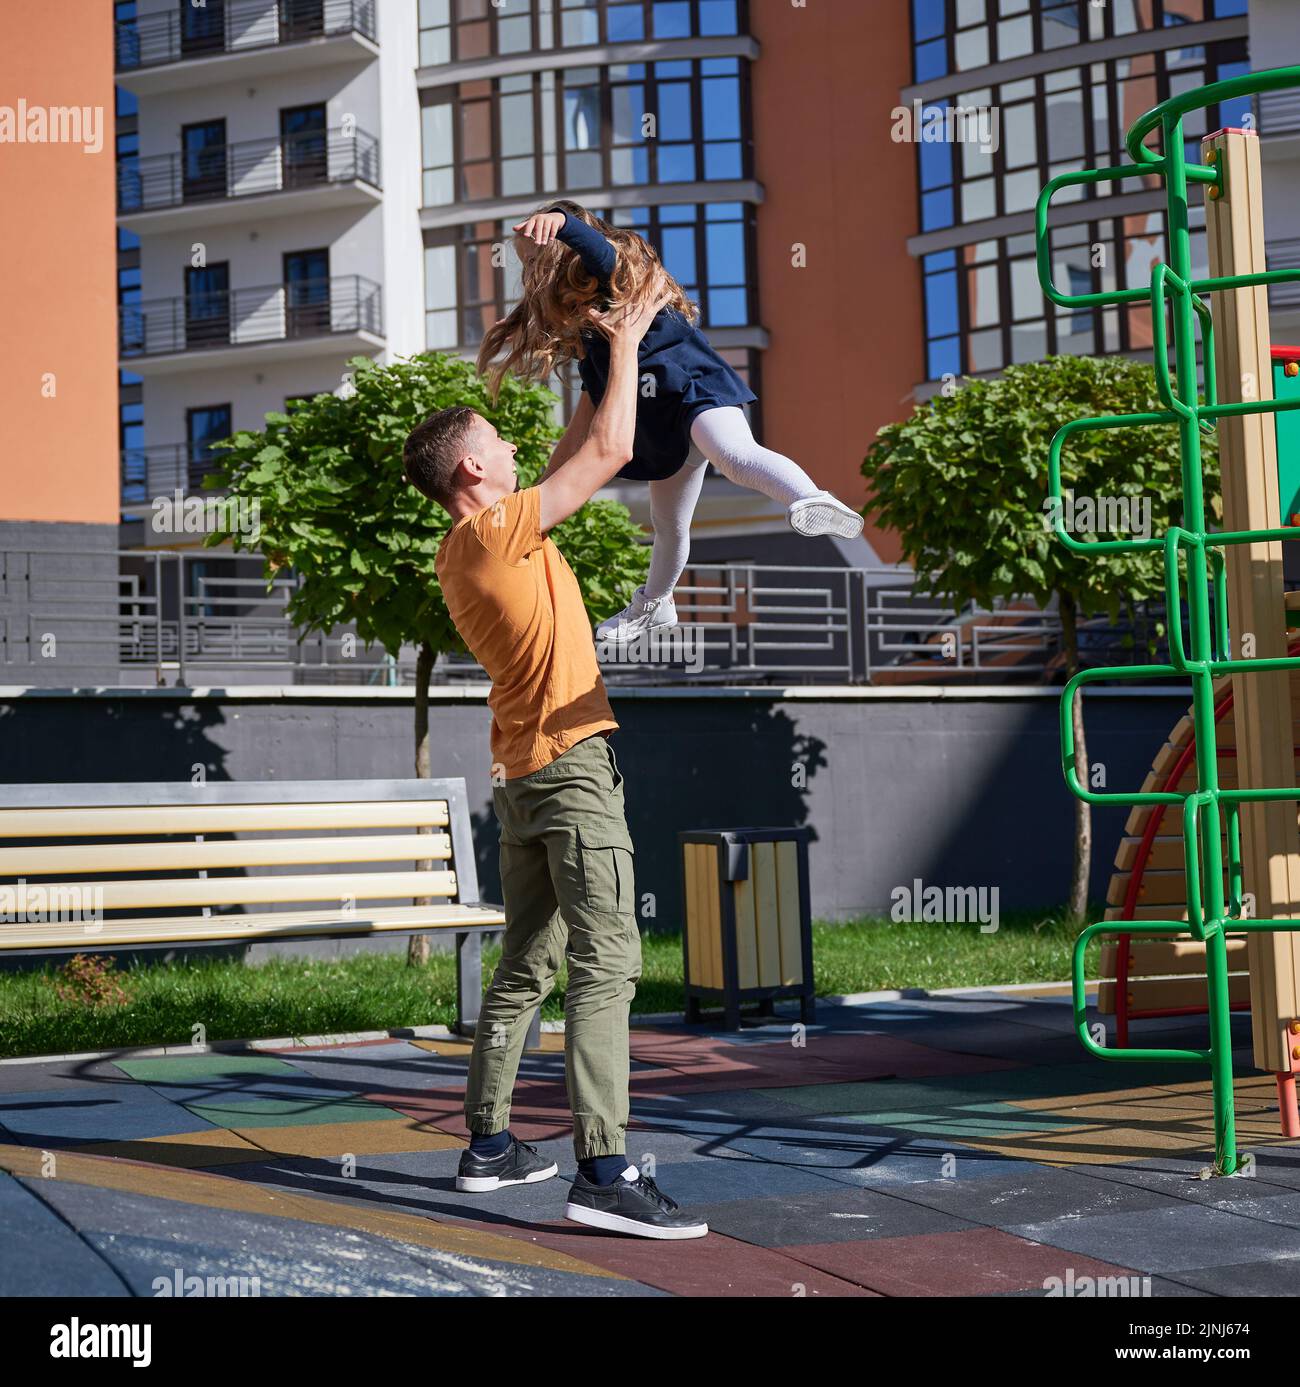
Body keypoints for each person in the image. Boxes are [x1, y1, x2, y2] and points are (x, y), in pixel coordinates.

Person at [403, 286, 708, 1240]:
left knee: (524, 965)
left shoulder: (470, 544)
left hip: (520, 777)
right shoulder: (498, 530)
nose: (512, 446)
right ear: (473, 467)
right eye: (498, 439)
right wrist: (624, 350)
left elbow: (583, 445)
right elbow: (611, 452)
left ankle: (489, 1145)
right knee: (607, 962)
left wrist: (601, 351)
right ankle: (605, 1169)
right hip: (569, 771)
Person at [477, 199, 865, 643]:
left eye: (532, 259)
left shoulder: (617, 282)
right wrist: (536, 504)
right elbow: (579, 431)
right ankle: (655, 603)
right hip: (665, 432)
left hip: (698, 394)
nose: (528, 273)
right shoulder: (594, 338)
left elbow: (600, 251)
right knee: (669, 525)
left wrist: (562, 222)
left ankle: (808, 497)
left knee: (736, 457)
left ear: (562, 250)